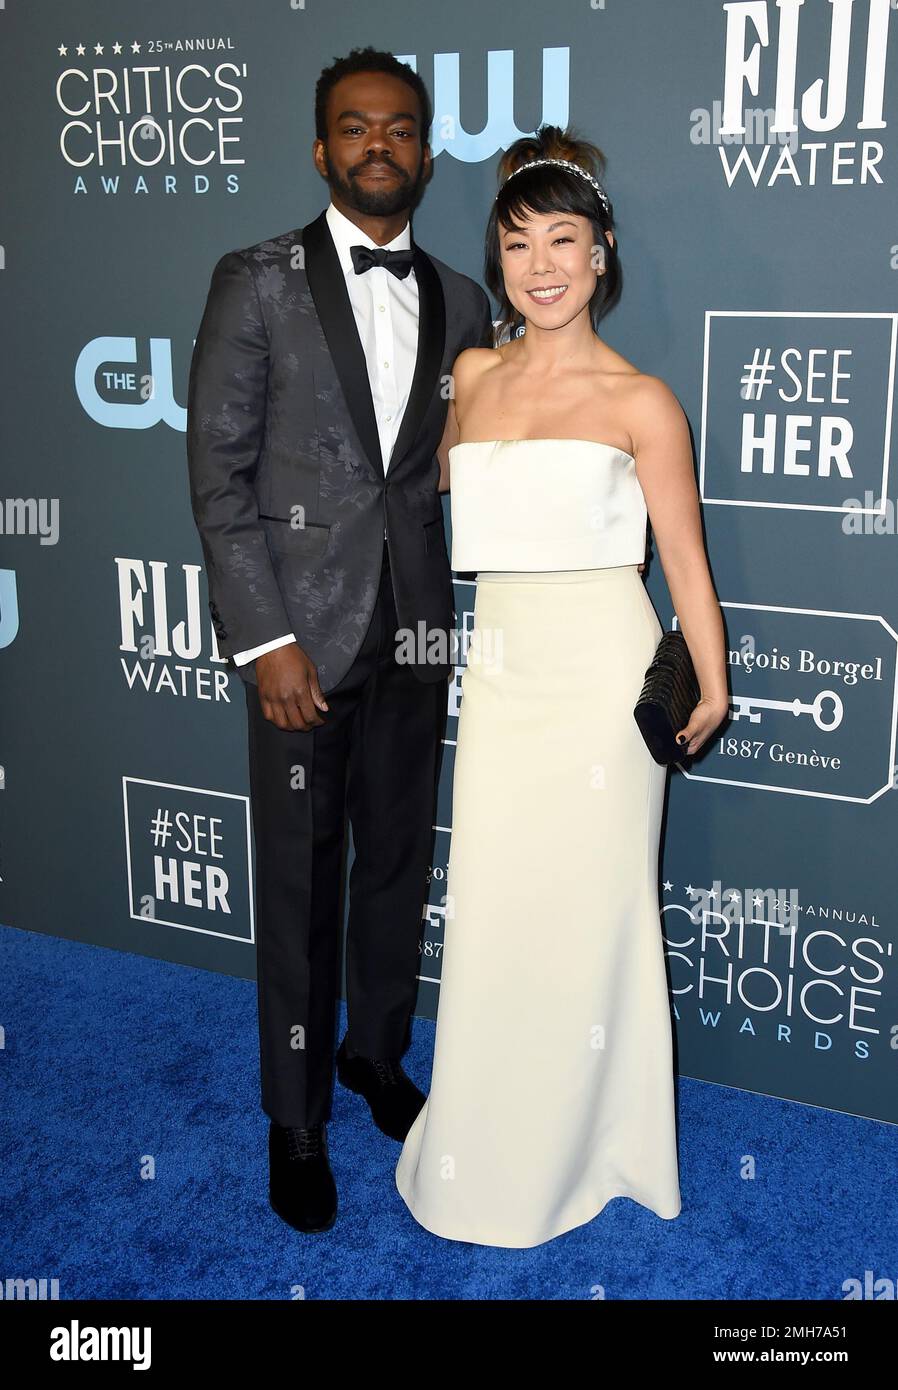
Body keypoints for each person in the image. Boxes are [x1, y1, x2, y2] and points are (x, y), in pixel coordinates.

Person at [395, 125, 729, 1247]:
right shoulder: (474, 377)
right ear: (499, 259)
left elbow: (684, 560)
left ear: (602, 254)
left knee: (595, 915)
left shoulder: (643, 402)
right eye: (519, 241)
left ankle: (602, 1146)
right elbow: (440, 486)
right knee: (495, 910)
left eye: (564, 241)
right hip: (500, 670)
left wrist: (711, 685)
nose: (541, 264)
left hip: (601, 672)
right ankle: (490, 1140)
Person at [186, 47, 493, 1235]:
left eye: (401, 127)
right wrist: (263, 640)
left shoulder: (465, 300)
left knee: (394, 866)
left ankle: (374, 1055)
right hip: (299, 642)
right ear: (321, 150)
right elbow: (216, 472)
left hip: (416, 632)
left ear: (425, 148)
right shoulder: (253, 279)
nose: (379, 144)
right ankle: (295, 1111)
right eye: (355, 127)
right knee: (301, 882)